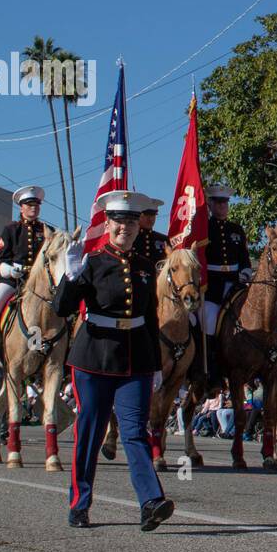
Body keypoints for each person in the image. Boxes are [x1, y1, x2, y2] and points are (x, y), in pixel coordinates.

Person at [52, 190, 174, 531]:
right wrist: (71, 277)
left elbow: (150, 318)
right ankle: (80, 503)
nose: (127, 227)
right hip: (93, 358)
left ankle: (150, 503)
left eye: (132, 221)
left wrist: (155, 366)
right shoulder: (90, 263)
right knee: (90, 431)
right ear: (107, 224)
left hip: (135, 358)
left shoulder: (146, 268)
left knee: (136, 431)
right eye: (120, 221)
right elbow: (61, 309)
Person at [0, 185, 50, 368]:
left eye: (36, 205)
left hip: (37, 282)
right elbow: (1, 260)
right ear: (21, 207)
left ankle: (46, 348)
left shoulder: (46, 230)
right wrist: (11, 271)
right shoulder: (10, 230)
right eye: (29, 205)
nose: (34, 208)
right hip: (13, 279)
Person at [200, 184, 253, 388]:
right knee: (209, 321)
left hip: (235, 284)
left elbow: (245, 259)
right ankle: (212, 371)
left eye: (225, 203)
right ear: (211, 204)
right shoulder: (204, 228)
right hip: (212, 286)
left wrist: (246, 272)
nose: (223, 206)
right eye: (218, 202)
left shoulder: (236, 229)